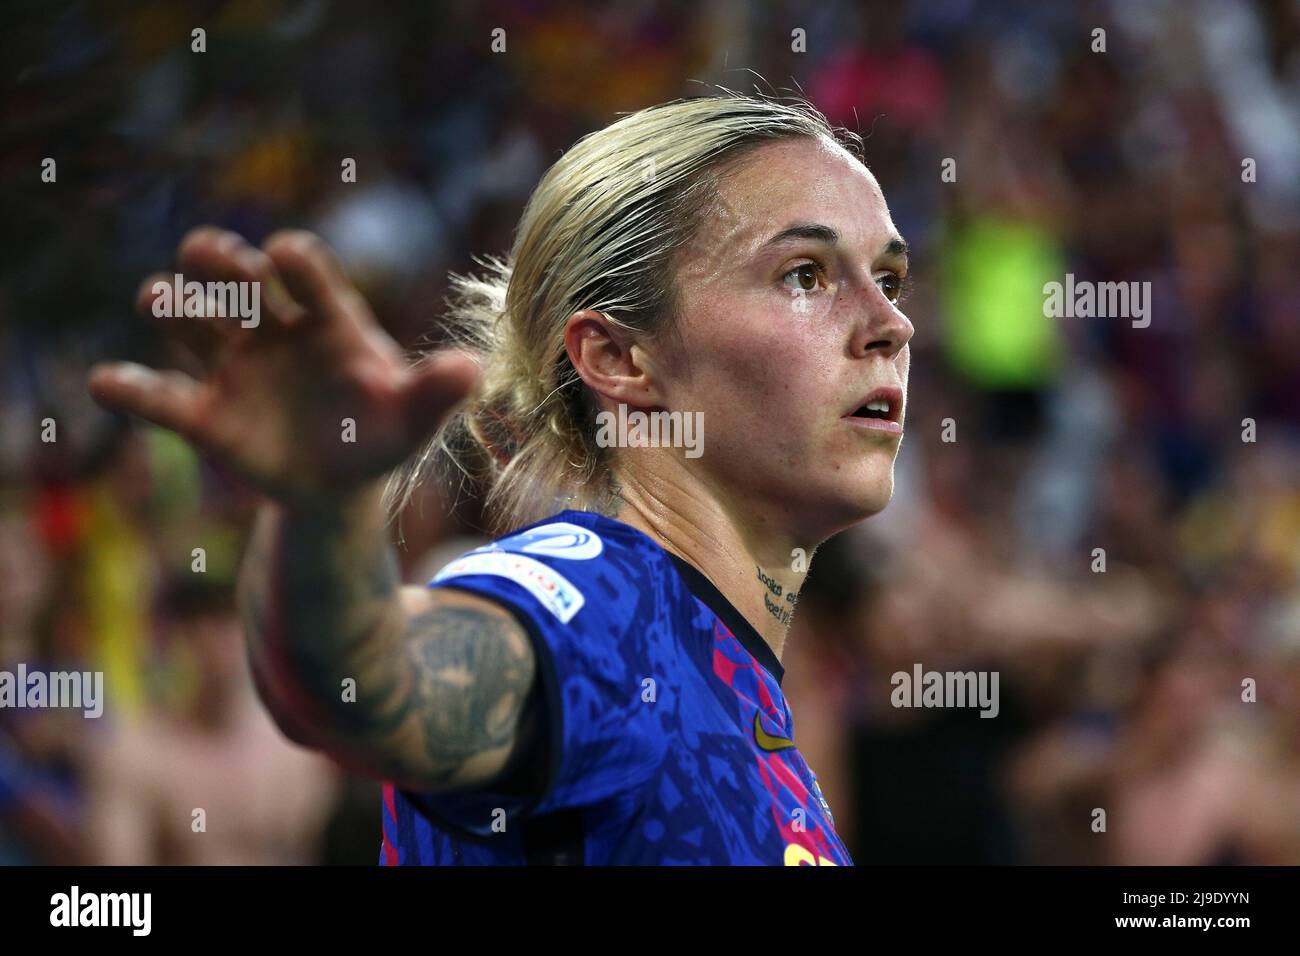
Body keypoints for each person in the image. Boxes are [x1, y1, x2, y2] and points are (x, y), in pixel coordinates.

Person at [87, 92, 913, 865]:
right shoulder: (596, 612)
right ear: (620, 358)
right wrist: (321, 505)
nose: (891, 324)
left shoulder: (748, 704)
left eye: (890, 278)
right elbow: (368, 681)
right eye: (804, 273)